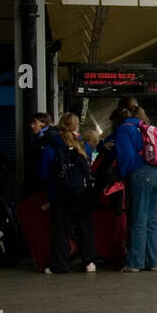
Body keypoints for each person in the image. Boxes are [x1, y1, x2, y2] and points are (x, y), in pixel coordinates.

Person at [38, 113, 97, 275]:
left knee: (61, 230)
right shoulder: (82, 145)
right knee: (85, 228)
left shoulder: (52, 145)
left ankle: (60, 264)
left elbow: (43, 173)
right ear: (76, 126)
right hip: (82, 193)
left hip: (60, 194)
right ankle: (89, 262)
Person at [115, 103, 157, 272]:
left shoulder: (124, 129)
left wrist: (121, 175)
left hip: (142, 175)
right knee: (152, 221)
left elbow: (127, 157)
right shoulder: (148, 128)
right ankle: (153, 262)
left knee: (138, 220)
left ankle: (135, 263)